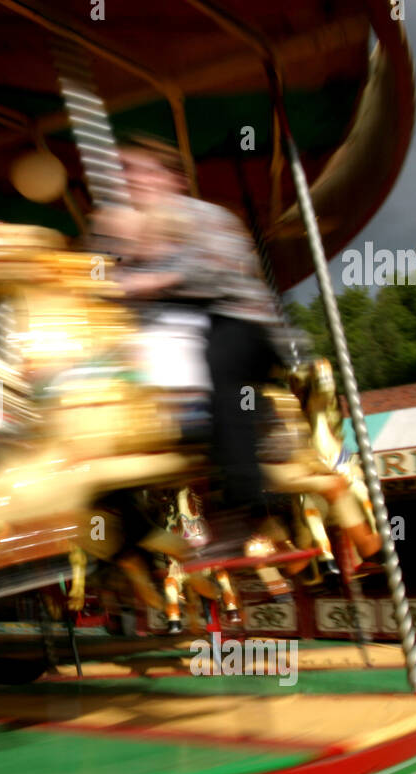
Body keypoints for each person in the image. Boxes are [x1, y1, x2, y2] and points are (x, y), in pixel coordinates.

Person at [92, 138, 287, 562]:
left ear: (172, 178)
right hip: (173, 330)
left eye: (145, 171)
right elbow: (105, 282)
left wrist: (148, 280)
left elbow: (219, 270)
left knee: (221, 363)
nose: (134, 181)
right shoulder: (128, 225)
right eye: (127, 173)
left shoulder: (204, 217)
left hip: (239, 317)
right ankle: (128, 522)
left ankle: (244, 508)